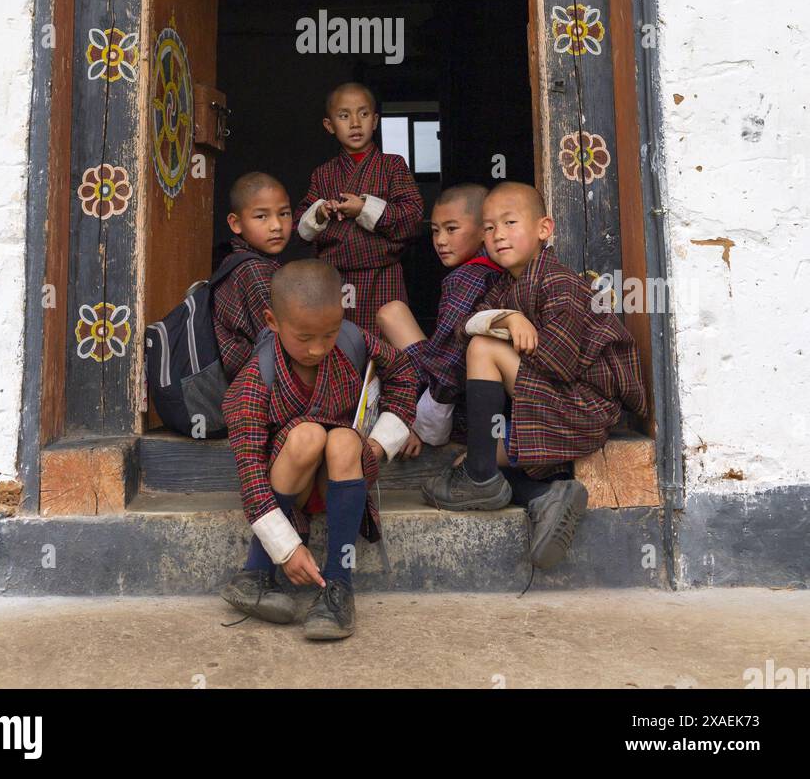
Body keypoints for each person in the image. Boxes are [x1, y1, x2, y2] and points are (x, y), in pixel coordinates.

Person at [422, 181, 648, 569]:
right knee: (468, 458)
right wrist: (507, 318)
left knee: (483, 350)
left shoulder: (558, 283)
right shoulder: (507, 288)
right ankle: (543, 497)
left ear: (544, 229)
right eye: (490, 228)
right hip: (555, 407)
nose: (498, 235)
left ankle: (482, 478)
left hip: (580, 410)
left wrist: (504, 335)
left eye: (510, 222)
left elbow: (559, 365)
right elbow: (463, 325)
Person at [220, 259, 417, 640]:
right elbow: (252, 479)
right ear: (272, 322)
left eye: (328, 334)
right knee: (307, 435)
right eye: (304, 337)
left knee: (343, 439)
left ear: (341, 315)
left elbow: (404, 372)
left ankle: (339, 586)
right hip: (288, 484)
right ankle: (257, 573)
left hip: (341, 478)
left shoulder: (351, 340)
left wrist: (381, 441)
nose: (317, 348)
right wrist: (286, 548)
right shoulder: (255, 380)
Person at [375, 183, 500, 455]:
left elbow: (448, 361)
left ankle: (409, 413)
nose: (440, 240)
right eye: (434, 230)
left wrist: (421, 424)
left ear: (484, 230)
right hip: (486, 399)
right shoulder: (495, 268)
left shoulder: (467, 278)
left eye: (452, 229)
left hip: (458, 407)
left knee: (390, 314)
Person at [294, 82, 423, 337]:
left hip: (383, 277)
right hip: (335, 280)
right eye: (344, 116)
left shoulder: (393, 166)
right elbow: (299, 229)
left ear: (375, 121)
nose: (355, 123)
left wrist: (365, 208)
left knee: (386, 347)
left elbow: (413, 218)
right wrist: (320, 212)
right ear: (329, 125)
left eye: (363, 114)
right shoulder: (323, 174)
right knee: (337, 344)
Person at [212, 172, 293, 381]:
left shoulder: (238, 260)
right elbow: (282, 345)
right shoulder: (253, 270)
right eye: (261, 216)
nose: (276, 225)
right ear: (236, 223)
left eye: (284, 213)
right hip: (252, 385)